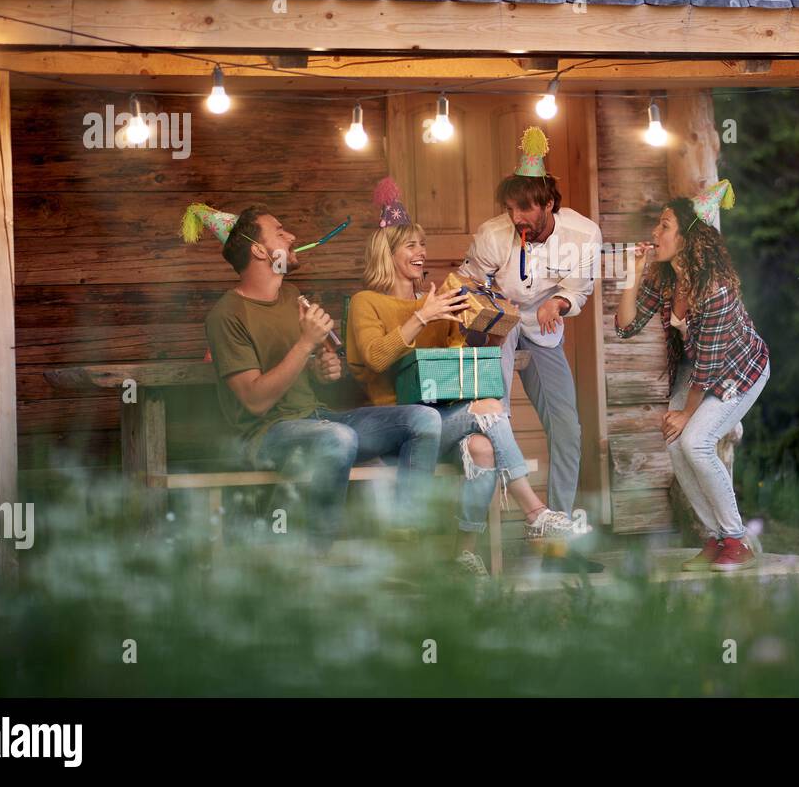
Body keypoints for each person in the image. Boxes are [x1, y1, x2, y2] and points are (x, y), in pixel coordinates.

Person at [347, 179, 576, 576]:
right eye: (411, 246)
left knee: (483, 448)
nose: (422, 253)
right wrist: (422, 316)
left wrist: (489, 328)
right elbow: (376, 358)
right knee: (488, 407)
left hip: (442, 421)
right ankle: (535, 512)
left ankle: (463, 555)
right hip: (398, 428)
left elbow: (458, 367)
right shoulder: (366, 302)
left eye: (422, 244)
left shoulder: (435, 301)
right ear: (388, 253)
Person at [186, 202, 442, 552]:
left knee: (423, 420)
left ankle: (407, 540)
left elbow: (299, 368)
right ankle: (315, 557)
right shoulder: (226, 315)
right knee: (337, 438)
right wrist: (306, 343)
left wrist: (321, 369)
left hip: (316, 418)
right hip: (263, 434)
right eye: (280, 232)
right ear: (259, 250)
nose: (292, 236)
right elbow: (255, 400)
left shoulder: (292, 297)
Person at [460, 126, 604, 573]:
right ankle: (490, 537)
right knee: (494, 420)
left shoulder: (584, 234)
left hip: (544, 330)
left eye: (524, 208)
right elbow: (468, 282)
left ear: (548, 204)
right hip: (499, 327)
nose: (516, 217)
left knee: (567, 426)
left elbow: (579, 288)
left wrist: (557, 303)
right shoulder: (492, 235)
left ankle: (556, 536)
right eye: (510, 209)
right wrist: (490, 311)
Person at [614, 181, 771, 572]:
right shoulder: (666, 276)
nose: (655, 232)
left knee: (696, 441)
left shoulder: (716, 290)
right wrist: (633, 274)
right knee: (675, 444)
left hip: (737, 369)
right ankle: (715, 539)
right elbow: (625, 327)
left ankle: (736, 540)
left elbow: (711, 365)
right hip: (697, 367)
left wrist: (686, 414)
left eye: (665, 226)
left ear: (688, 238)